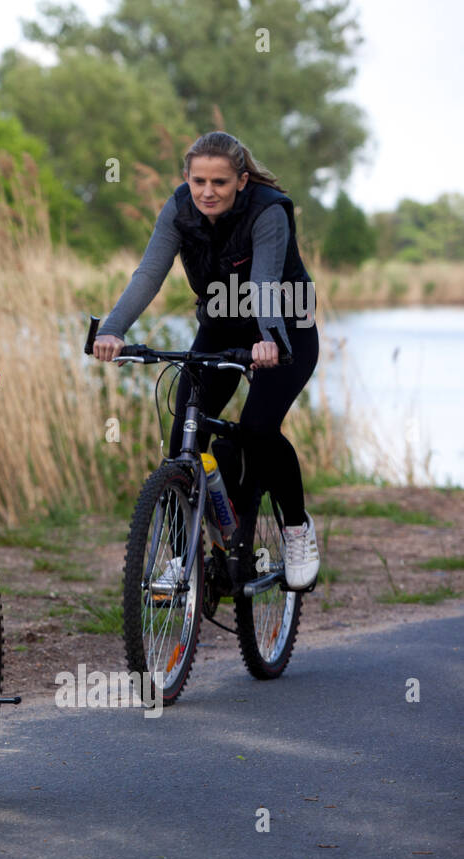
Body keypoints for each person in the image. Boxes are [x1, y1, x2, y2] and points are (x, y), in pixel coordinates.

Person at [91, 131, 320, 588]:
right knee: (183, 440)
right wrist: (113, 328)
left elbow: (264, 284)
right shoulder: (179, 208)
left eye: (219, 181)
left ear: (241, 179)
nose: (207, 192)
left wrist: (269, 338)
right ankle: (185, 555)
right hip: (221, 325)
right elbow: (149, 274)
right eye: (199, 181)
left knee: (258, 428)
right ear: (186, 179)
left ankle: (297, 528)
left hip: (284, 328)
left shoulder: (268, 209)